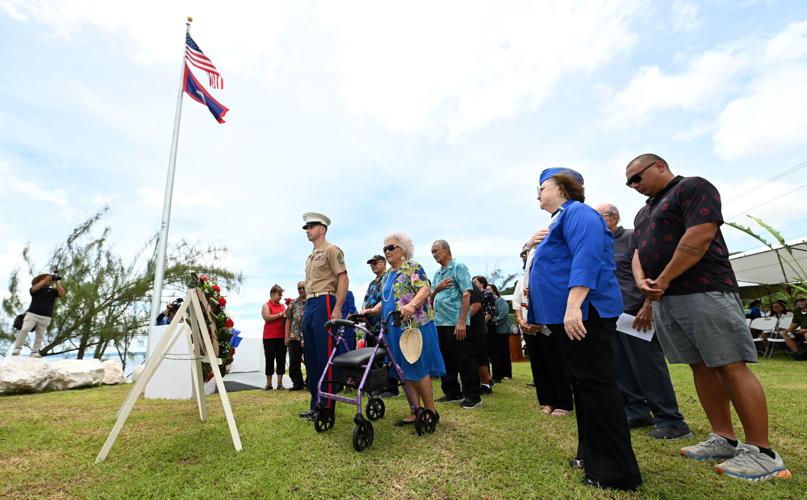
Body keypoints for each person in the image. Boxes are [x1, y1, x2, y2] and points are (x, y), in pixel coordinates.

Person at [626, 153, 790, 481]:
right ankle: (724, 438)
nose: (634, 187)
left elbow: (699, 234)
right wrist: (644, 281)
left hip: (705, 290)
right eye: (629, 183)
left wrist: (665, 278)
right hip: (666, 298)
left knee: (729, 364)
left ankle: (763, 452)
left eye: (637, 178)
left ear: (659, 166)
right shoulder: (644, 212)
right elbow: (638, 253)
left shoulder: (692, 187)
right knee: (699, 367)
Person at [530, 167, 642, 491]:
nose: (538, 193)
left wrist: (573, 304)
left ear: (561, 189)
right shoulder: (561, 218)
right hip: (573, 315)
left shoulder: (578, 213)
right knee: (584, 387)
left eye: (542, 187)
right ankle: (591, 457)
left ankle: (615, 473)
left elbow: (588, 256)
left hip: (586, 314)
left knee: (596, 387)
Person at [595, 203, 692, 439]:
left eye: (600, 217)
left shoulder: (632, 238)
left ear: (614, 217)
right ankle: (636, 411)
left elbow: (650, 273)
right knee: (621, 367)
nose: (596, 223)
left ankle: (671, 420)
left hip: (635, 311)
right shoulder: (598, 244)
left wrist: (648, 305)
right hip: (611, 315)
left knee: (648, 367)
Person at [362, 233, 445, 426]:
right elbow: (387, 300)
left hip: (414, 326)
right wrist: (371, 310)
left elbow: (425, 289)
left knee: (417, 367)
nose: (387, 252)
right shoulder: (388, 275)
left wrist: (413, 305)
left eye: (391, 248)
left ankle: (431, 410)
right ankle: (416, 410)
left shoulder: (412, 267)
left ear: (403, 251)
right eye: (385, 249)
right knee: (403, 369)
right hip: (393, 329)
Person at [300, 212, 349, 420]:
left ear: (322, 229)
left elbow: (343, 279)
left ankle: (327, 407)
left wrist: (338, 308)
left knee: (325, 356)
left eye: (311, 226)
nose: (308, 230)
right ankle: (316, 403)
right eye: (306, 227)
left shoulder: (332, 250)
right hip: (310, 303)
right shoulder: (310, 256)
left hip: (325, 302)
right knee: (310, 358)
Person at [430, 240, 482, 409]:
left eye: (436, 251)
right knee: (446, 359)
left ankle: (473, 396)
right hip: (440, 322)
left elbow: (467, 294)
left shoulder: (459, 267)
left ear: (446, 250)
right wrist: (437, 289)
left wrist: (462, 321)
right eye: (432, 252)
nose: (434, 254)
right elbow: (430, 297)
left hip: (455, 322)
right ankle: (452, 392)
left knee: (464, 358)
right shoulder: (438, 274)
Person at [364, 254, 399, 397]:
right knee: (374, 357)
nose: (373, 266)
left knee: (387, 356)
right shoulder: (372, 283)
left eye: (375, 263)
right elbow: (366, 300)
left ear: (384, 263)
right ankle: (378, 386)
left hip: (383, 323)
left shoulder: (388, 278)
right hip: (370, 325)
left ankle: (391, 388)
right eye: (371, 264)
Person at [11, 273, 65, 357]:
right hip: (32, 314)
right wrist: (45, 279)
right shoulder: (35, 289)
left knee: (40, 335)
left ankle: (35, 352)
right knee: (24, 330)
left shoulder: (52, 291)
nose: (48, 280)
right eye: (44, 279)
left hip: (46, 316)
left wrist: (57, 283)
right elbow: (34, 289)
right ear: (39, 280)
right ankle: (17, 349)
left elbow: (61, 293)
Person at [473, 276, 501, 382]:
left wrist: (481, 322)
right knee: (480, 354)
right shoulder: (473, 294)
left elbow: (490, 312)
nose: (473, 283)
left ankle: (493, 378)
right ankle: (484, 378)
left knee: (491, 352)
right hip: (477, 327)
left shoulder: (488, 295)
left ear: (482, 284)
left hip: (487, 327)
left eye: (475, 282)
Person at [262, 285, 287, 390]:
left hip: (281, 337)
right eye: (279, 294)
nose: (280, 297)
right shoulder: (266, 305)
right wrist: (281, 314)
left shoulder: (282, 306)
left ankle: (280, 384)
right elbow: (267, 317)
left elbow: (286, 319)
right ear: (272, 294)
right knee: (269, 360)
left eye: (281, 295)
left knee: (281, 360)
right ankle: (269, 384)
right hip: (269, 337)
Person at [284, 282, 307, 391]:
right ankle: (297, 383)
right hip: (294, 337)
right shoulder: (293, 303)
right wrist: (286, 337)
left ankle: (310, 382)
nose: (301, 290)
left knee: (309, 361)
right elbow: (288, 320)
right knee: (294, 362)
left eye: (303, 288)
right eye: (299, 288)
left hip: (308, 337)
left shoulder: (312, 302)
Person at [487, 284, 513, 382]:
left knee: (504, 352)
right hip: (495, 332)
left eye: (489, 289)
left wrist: (492, 321)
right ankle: (499, 373)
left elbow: (503, 314)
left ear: (494, 290)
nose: (487, 291)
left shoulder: (500, 301)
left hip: (503, 331)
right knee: (497, 353)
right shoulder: (490, 302)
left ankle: (507, 374)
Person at [782, 294, 807, 358]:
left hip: (805, 331)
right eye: (797, 300)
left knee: (806, 334)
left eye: (802, 300)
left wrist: (805, 330)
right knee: (785, 333)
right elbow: (795, 323)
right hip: (802, 331)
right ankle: (798, 353)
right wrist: (789, 330)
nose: (799, 302)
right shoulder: (798, 310)